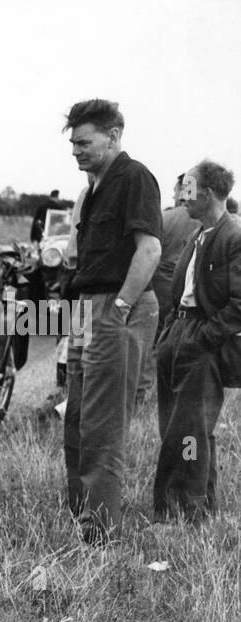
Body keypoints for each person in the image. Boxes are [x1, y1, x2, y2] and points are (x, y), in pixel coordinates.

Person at [62, 98, 161, 544]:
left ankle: (100, 535)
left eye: (84, 142)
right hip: (89, 308)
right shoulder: (96, 185)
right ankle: (81, 515)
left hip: (116, 308)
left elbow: (150, 250)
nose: (76, 150)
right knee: (78, 418)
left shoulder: (134, 177)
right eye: (73, 143)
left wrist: (119, 308)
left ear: (114, 136)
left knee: (102, 426)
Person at [153, 160, 241, 523]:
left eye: (188, 188)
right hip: (179, 335)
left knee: (190, 432)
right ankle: (195, 503)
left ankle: (186, 508)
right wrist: (171, 332)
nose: (181, 195)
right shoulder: (197, 234)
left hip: (201, 342)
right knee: (181, 427)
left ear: (207, 192)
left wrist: (203, 338)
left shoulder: (233, 236)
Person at [139, 175, 202, 402]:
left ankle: (142, 390)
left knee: (152, 340)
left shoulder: (164, 218)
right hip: (191, 289)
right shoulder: (205, 222)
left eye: (176, 190)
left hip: (161, 285)